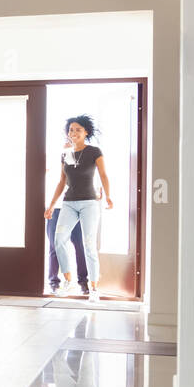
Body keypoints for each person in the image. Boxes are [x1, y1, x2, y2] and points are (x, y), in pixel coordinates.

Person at [44, 115, 113, 301]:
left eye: (78, 130)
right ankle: (67, 281)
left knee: (89, 245)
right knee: (58, 240)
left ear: (86, 132)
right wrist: (51, 205)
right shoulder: (65, 154)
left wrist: (108, 196)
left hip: (89, 203)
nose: (73, 133)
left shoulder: (94, 152)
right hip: (68, 203)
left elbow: (104, 175)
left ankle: (94, 288)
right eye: (71, 129)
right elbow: (61, 181)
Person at [46, 136, 88, 295]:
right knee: (54, 246)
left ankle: (83, 282)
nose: (69, 142)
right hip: (56, 208)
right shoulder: (52, 159)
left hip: (75, 207)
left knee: (79, 245)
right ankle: (53, 283)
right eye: (67, 139)